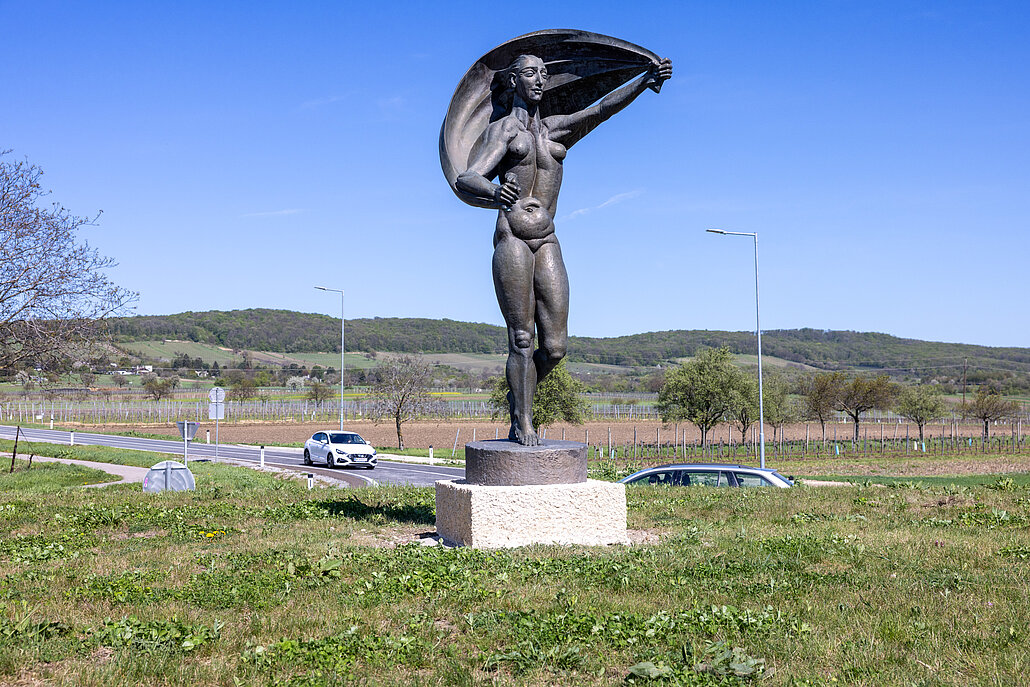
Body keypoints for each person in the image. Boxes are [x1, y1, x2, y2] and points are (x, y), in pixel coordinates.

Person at [456, 53, 672, 445]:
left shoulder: (556, 130)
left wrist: (644, 81)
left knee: (555, 347)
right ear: (513, 82)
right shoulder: (504, 132)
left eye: (544, 73)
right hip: (513, 237)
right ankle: (523, 420)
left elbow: (602, 108)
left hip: (547, 238)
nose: (540, 79)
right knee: (522, 338)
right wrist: (494, 190)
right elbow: (467, 177)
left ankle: (519, 390)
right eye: (531, 73)